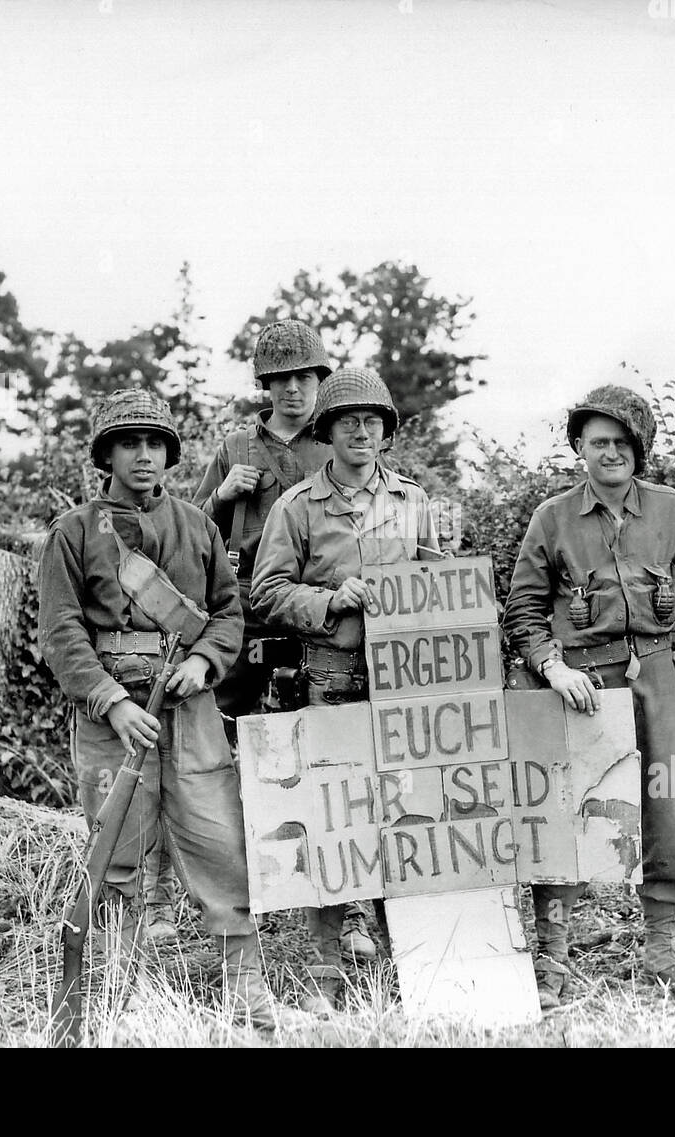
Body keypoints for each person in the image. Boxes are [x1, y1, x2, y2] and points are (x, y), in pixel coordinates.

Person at [37, 388, 280, 1030]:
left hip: (192, 708)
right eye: (129, 443)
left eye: (153, 444)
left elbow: (228, 614)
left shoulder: (198, 527)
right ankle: (119, 991)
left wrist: (204, 663)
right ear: (107, 454)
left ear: (169, 454)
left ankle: (246, 988)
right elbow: (61, 633)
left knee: (221, 845)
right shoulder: (72, 533)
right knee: (117, 857)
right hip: (113, 719)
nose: (143, 456)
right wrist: (112, 702)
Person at [503, 385, 675, 1010]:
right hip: (585, 686)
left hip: (657, 679)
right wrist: (549, 666)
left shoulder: (670, 509)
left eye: (622, 442)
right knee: (569, 815)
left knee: (666, 806)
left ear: (639, 450)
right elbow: (522, 604)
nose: (610, 453)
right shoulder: (553, 518)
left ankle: (662, 951)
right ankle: (554, 958)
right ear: (578, 448)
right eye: (598, 442)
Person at [251, 366, 440, 1015]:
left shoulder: (415, 503)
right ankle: (326, 973)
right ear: (327, 432)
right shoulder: (297, 505)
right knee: (332, 823)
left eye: (372, 421)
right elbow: (266, 592)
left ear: (386, 431)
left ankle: (414, 970)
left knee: (406, 817)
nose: (361, 432)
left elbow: (448, 586)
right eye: (347, 421)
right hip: (328, 679)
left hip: (406, 686)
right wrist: (334, 598)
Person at [190, 319, 378, 961]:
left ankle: (339, 905)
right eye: (281, 380)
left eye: (305, 378)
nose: (294, 390)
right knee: (239, 753)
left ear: (321, 384)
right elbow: (188, 532)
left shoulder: (338, 441)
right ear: (265, 386)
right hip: (253, 615)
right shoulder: (238, 446)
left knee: (330, 762)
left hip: (329, 627)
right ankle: (239, 889)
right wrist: (221, 495)